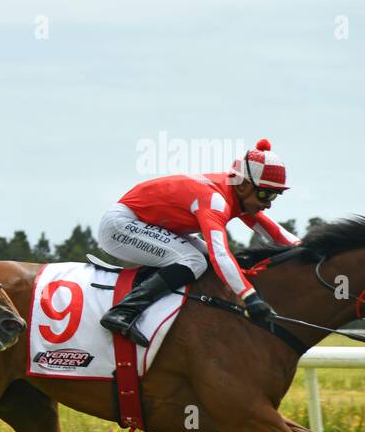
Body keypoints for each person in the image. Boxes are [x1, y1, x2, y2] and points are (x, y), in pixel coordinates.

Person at [97, 138, 299, 346]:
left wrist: (310, 249)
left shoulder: (235, 192)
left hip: (146, 223)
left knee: (204, 260)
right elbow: (220, 254)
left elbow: (274, 231)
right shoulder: (215, 200)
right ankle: (123, 311)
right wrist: (250, 297)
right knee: (196, 260)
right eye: (265, 194)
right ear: (245, 186)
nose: (268, 204)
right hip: (120, 226)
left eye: (274, 196)